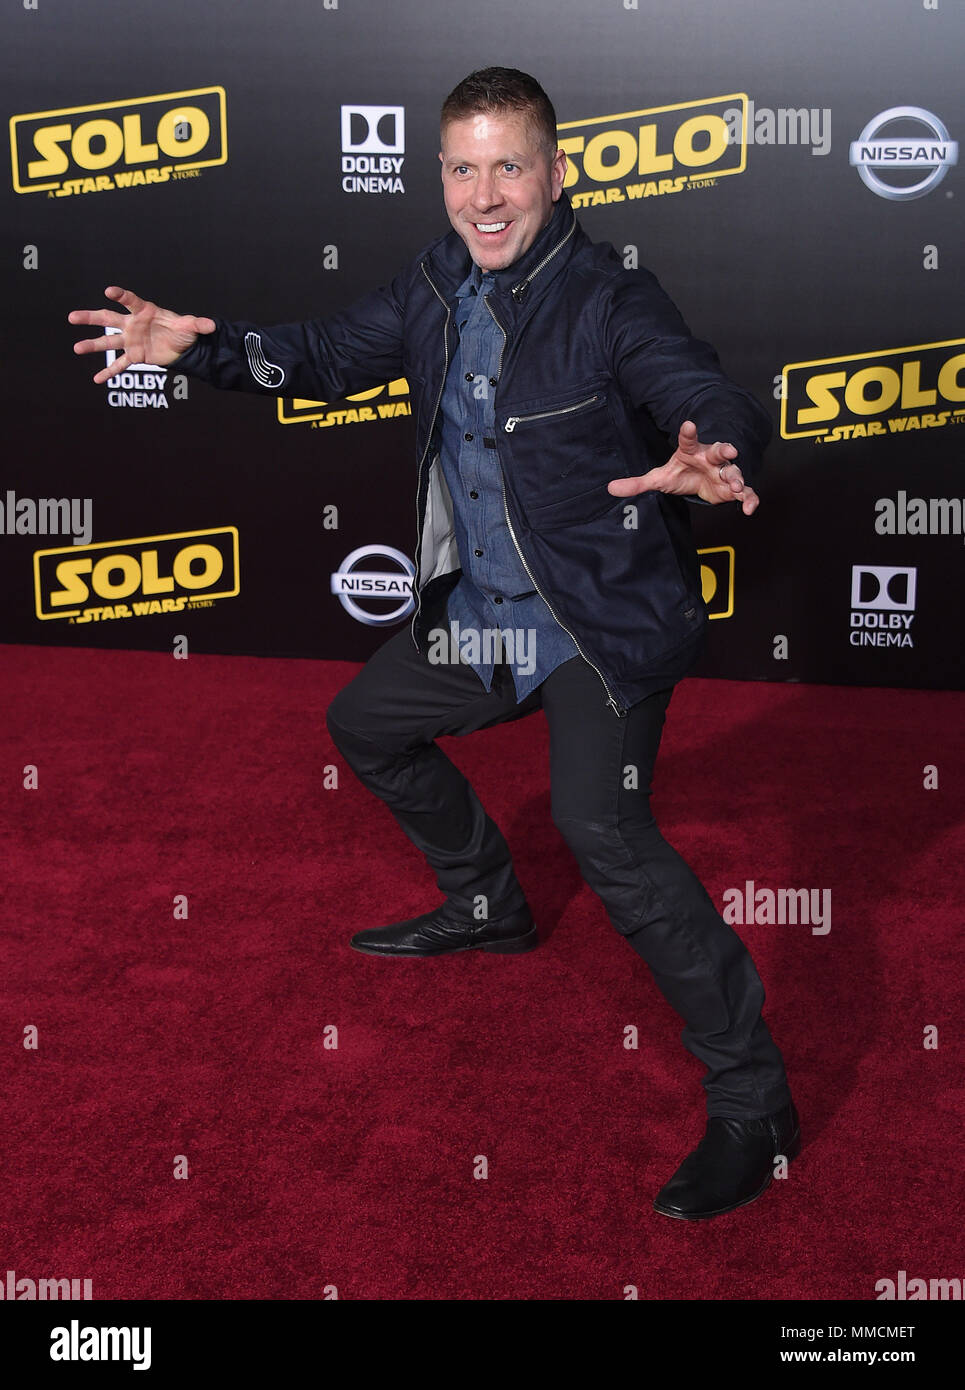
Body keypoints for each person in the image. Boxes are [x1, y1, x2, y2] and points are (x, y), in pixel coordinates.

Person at [69, 67, 799, 1221]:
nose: (484, 194)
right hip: (488, 620)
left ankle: (754, 1102)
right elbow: (316, 354)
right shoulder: (431, 282)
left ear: (557, 174)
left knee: (599, 825)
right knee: (363, 723)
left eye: (508, 165)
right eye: (462, 168)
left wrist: (715, 448)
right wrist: (191, 347)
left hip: (592, 625)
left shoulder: (611, 294)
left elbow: (694, 382)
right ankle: (484, 904)